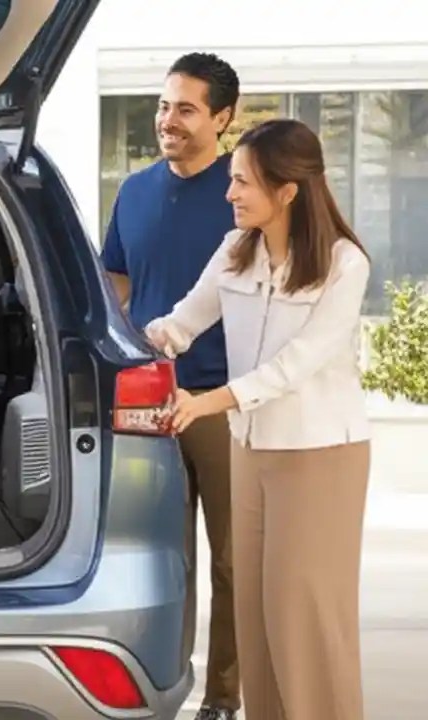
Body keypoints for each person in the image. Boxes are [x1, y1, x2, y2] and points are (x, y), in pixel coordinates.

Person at [146, 118, 371, 720]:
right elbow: (181, 324)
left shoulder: (344, 264)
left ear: (287, 190)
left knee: (306, 615)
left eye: (242, 181)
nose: (230, 192)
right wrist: (130, 344)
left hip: (319, 454)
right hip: (252, 448)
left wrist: (208, 401)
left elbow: (293, 366)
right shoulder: (233, 251)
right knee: (257, 609)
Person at [100, 52, 243, 719]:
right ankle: (169, 688)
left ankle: (223, 697)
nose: (169, 120)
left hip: (223, 402)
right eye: (164, 106)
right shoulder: (133, 192)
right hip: (148, 404)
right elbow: (118, 288)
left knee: (233, 565)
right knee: (165, 562)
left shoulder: (243, 195)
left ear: (223, 118)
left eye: (186, 109)